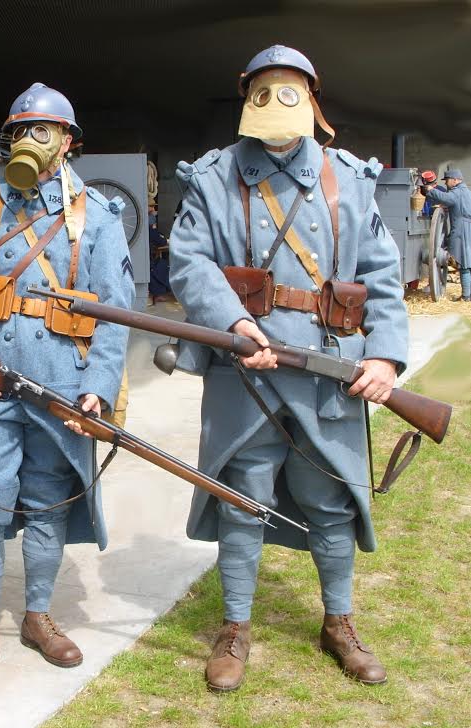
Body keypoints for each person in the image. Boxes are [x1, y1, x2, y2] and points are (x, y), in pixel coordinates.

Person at [169, 45, 408, 692]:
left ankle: (338, 622)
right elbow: (189, 262)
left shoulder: (351, 179)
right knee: (242, 501)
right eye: (264, 89)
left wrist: (384, 354)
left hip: (327, 366)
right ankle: (235, 627)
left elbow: (381, 275)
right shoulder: (214, 177)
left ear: (311, 97)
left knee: (329, 500)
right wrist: (236, 324)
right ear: (246, 96)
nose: (278, 101)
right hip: (245, 371)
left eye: (291, 89)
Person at [0, 82, 133, 685]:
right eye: (19, 130)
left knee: (48, 499)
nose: (29, 141)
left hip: (60, 383)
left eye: (41, 131)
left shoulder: (97, 216)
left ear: (68, 142)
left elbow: (114, 311)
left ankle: (38, 616)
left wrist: (98, 382)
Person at [424, 168, 471, 301]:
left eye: (447, 180)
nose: (445, 183)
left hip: (461, 230)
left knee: (464, 264)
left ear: (455, 180)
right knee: (468, 262)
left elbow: (445, 197)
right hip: (468, 227)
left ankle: (466, 296)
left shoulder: (457, 192)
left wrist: (431, 190)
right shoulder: (466, 192)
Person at [147, 205, 172, 303]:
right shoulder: (147, 228)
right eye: (151, 207)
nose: (154, 210)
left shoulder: (148, 226)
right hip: (147, 261)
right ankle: (158, 294)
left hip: (148, 258)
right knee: (161, 266)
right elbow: (161, 241)